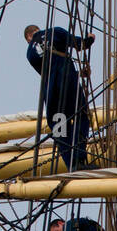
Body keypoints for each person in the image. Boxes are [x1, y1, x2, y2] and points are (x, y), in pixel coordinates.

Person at [25, 24, 95, 171]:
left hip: (50, 89)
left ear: (28, 38)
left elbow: (50, 70)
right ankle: (79, 157)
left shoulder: (29, 54)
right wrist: (90, 39)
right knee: (80, 115)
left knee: (58, 123)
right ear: (37, 30)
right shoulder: (54, 31)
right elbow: (80, 44)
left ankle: (71, 163)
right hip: (67, 77)